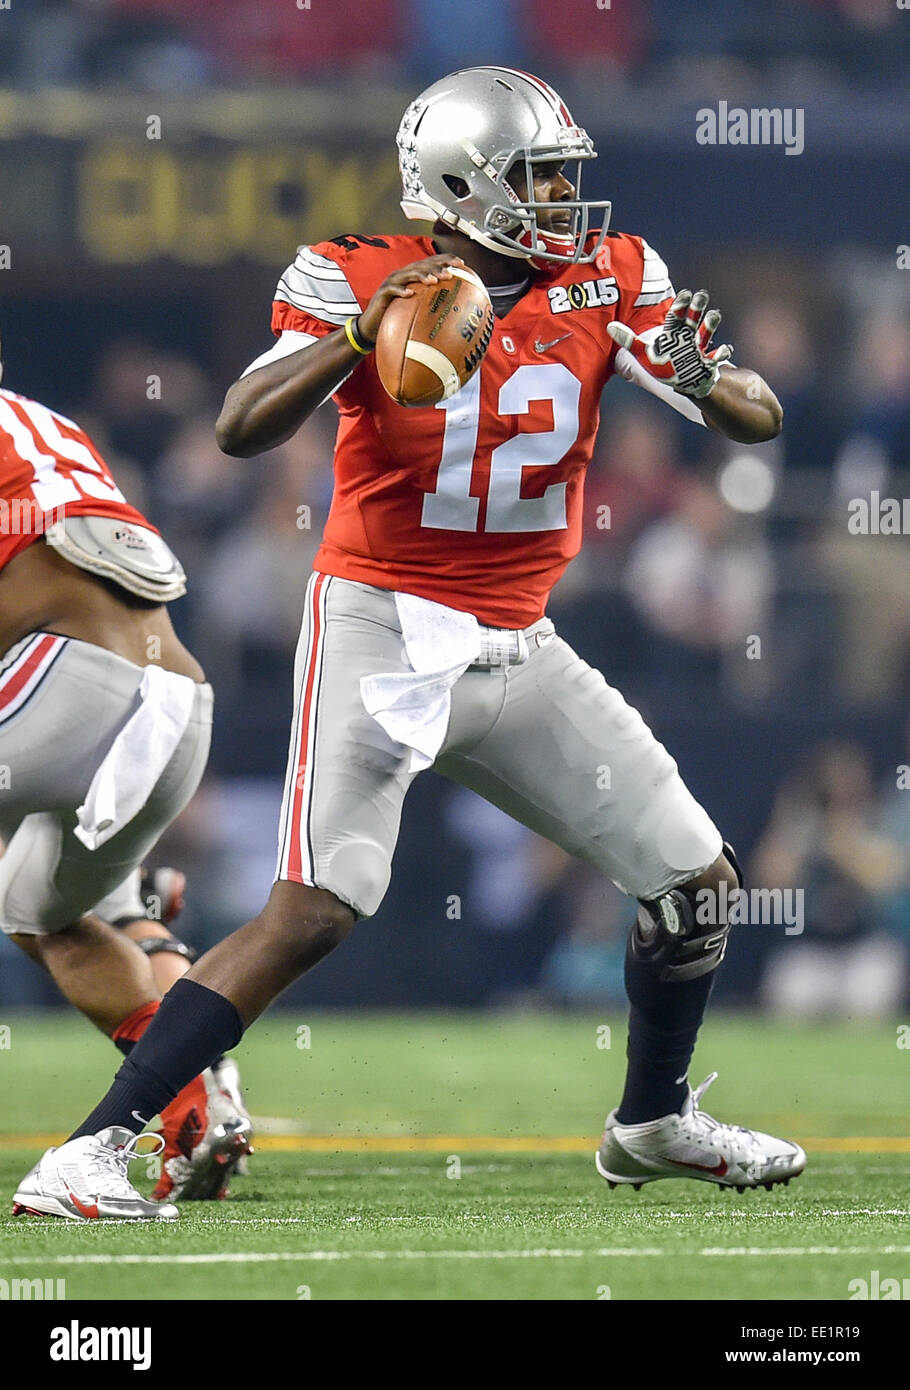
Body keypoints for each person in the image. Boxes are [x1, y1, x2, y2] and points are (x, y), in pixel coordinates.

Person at [22, 66, 803, 1219]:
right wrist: (358, 332)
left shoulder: (610, 274)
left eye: (562, 173)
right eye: (537, 174)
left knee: (694, 884)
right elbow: (240, 427)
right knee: (316, 909)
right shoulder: (352, 271)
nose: (560, 197)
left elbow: (756, 414)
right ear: (458, 184)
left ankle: (648, 1120)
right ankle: (89, 1150)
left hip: (518, 639)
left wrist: (707, 378)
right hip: (382, 623)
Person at [0, 349, 251, 1217]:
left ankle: (139, 898)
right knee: (37, 909)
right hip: (179, 711)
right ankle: (184, 1093)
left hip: (66, 695)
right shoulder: (54, 429)